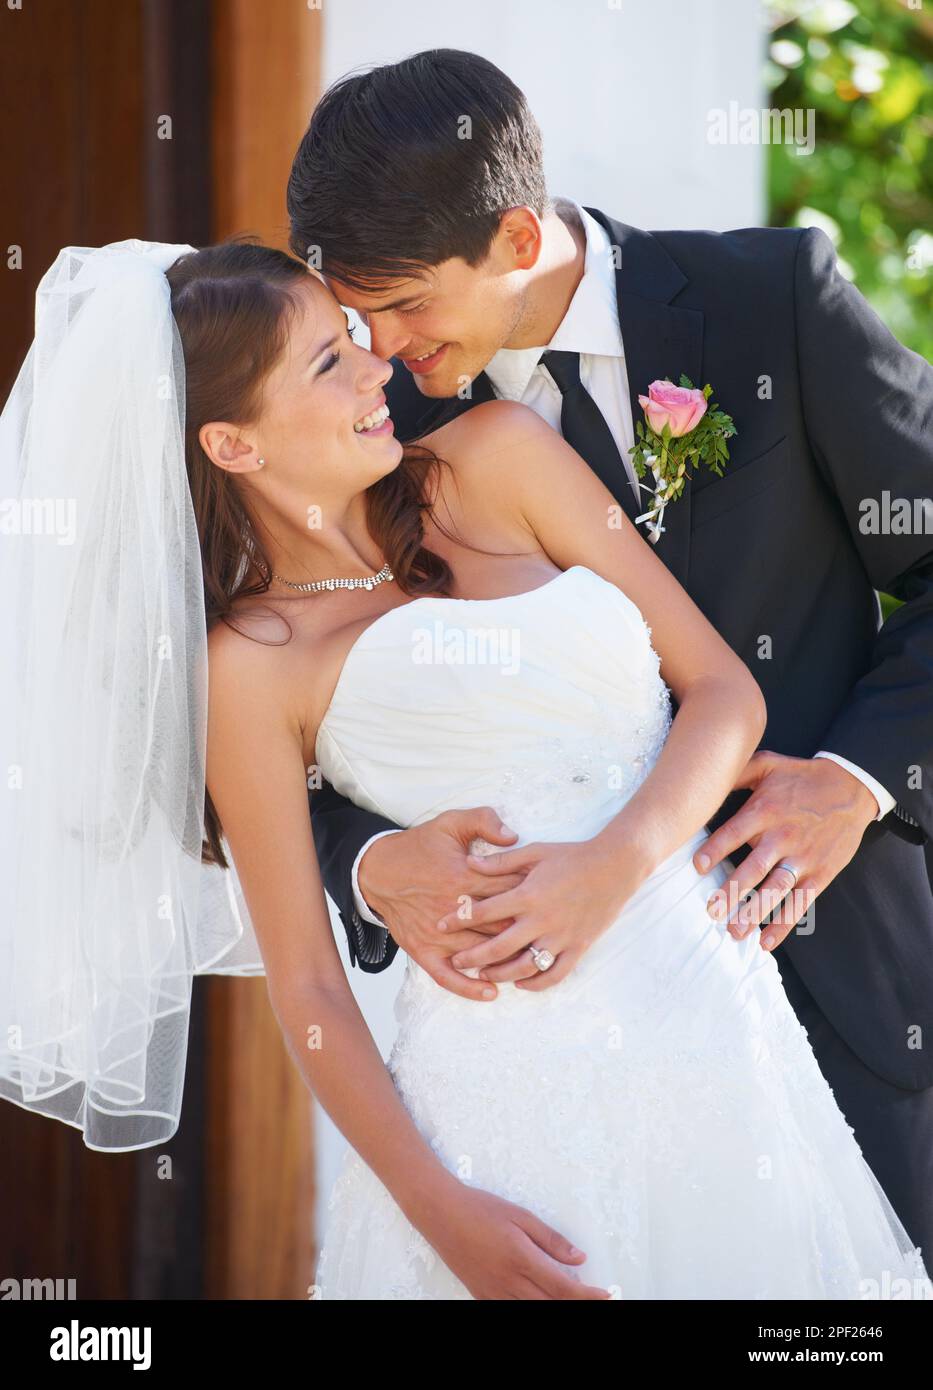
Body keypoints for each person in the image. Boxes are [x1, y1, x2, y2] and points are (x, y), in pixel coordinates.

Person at [0, 237, 927, 1299]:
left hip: (723, 1035)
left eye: (352, 338)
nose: (373, 371)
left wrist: (612, 867)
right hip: (499, 1103)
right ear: (232, 444)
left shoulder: (498, 457)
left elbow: (727, 693)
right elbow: (305, 984)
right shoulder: (250, 670)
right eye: (325, 365)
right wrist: (440, 1212)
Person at [287, 48, 933, 1260]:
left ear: (518, 240)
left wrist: (853, 783)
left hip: (831, 974)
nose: (378, 344)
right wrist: (371, 864)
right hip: (548, 1053)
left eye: (407, 303)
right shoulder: (382, 423)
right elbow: (295, 703)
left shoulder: (773, 301)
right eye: (354, 313)